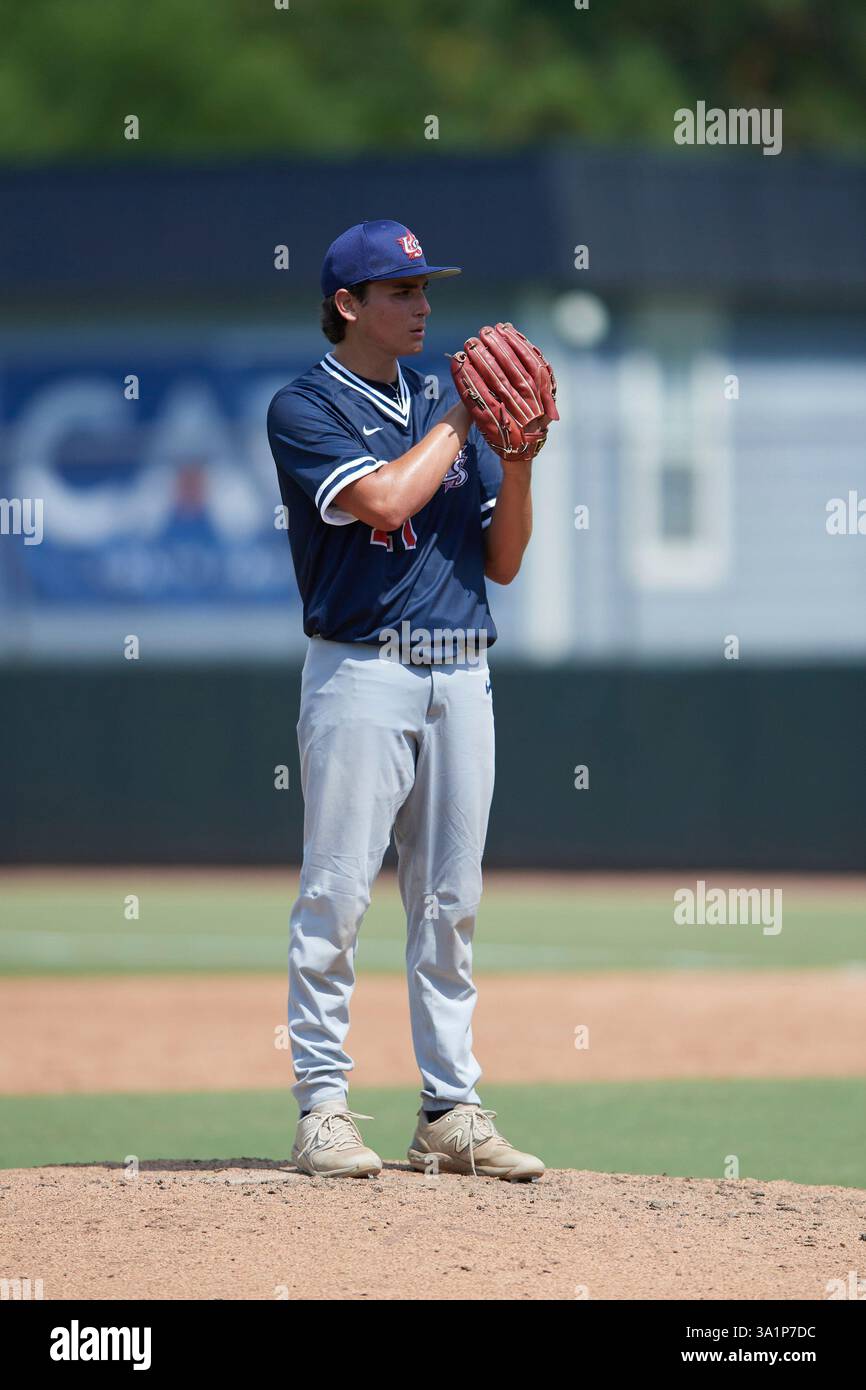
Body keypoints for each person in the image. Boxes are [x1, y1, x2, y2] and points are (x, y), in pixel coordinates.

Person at [266, 219, 545, 1181]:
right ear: (348, 305)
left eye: (425, 289)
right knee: (337, 894)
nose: (423, 305)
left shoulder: (439, 397)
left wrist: (518, 462)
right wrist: (466, 422)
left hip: (462, 663)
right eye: (400, 292)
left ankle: (450, 1107)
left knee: (450, 901)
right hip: (361, 668)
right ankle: (323, 1108)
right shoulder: (306, 405)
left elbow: (502, 561)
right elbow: (383, 501)